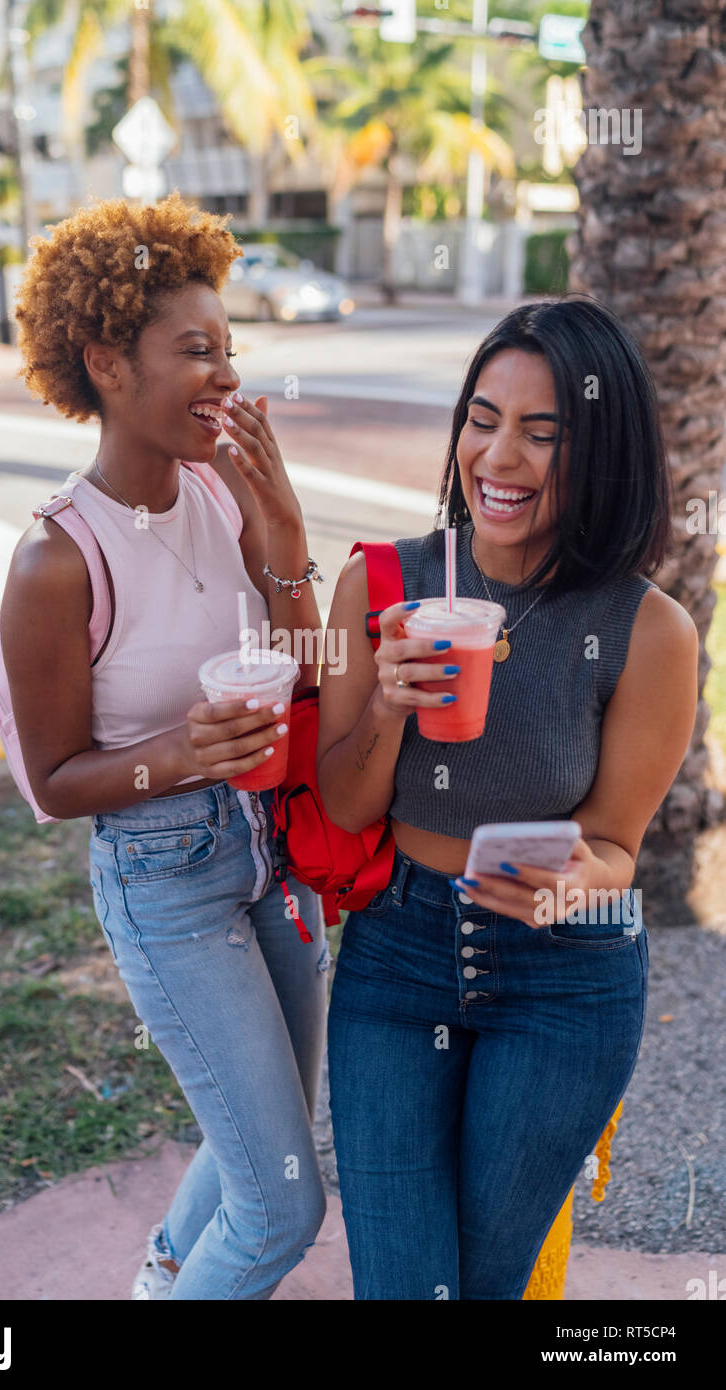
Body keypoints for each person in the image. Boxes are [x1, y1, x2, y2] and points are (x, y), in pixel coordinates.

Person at [317, 297, 698, 1300]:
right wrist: (390, 704)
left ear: (602, 449)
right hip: (396, 957)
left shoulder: (647, 632)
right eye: (481, 420)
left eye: (542, 434)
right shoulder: (382, 585)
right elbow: (348, 808)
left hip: (562, 978)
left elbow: (615, 846)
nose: (499, 458)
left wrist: (579, 881)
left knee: (488, 1286)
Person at [0, 192, 329, 1300]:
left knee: (264, 1121)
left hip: (274, 853)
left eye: (229, 350)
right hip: (166, 879)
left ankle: (166, 1268)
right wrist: (185, 753)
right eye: (195, 351)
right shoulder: (57, 559)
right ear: (105, 363)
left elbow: (312, 670)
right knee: (283, 1202)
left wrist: (281, 534)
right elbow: (53, 784)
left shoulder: (221, 489)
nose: (226, 378)